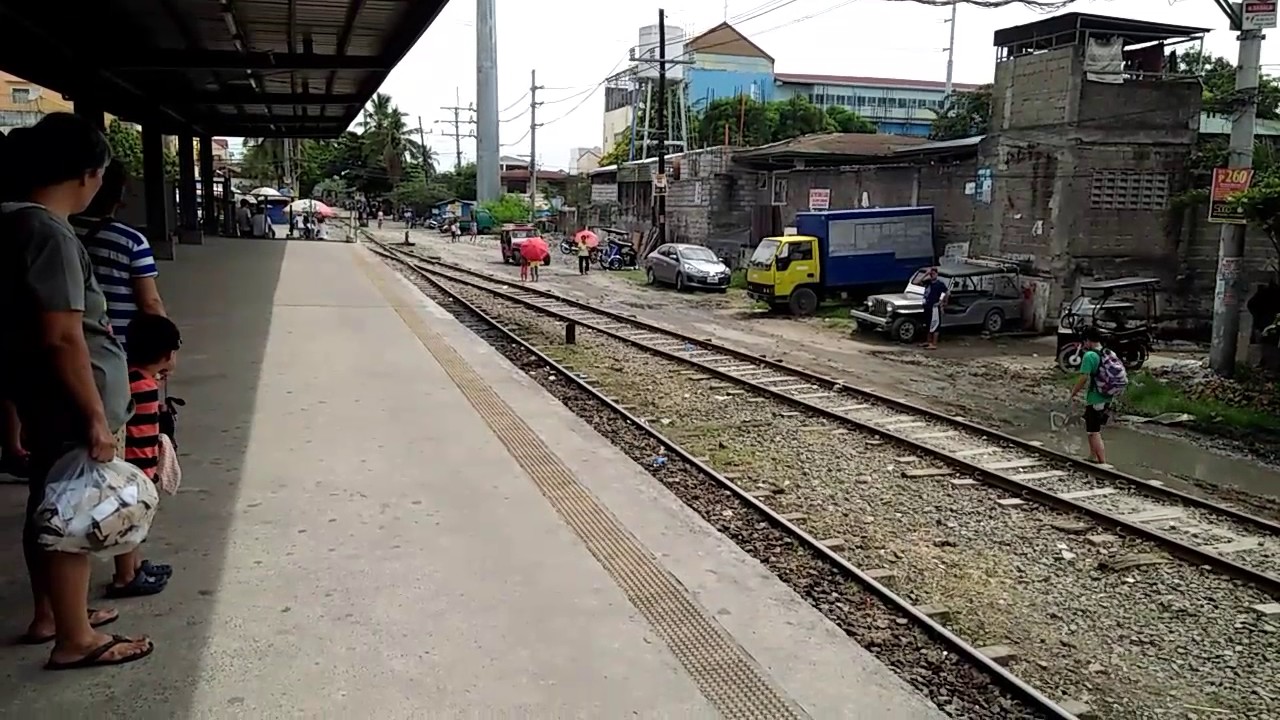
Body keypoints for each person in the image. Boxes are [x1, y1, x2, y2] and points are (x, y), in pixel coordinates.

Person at [0, 112, 153, 668]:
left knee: (50, 502)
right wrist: (93, 414)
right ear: (89, 174)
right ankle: (75, 639)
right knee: (76, 510)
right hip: (70, 400)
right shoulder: (48, 231)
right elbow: (64, 336)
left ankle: (55, 617)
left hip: (42, 395)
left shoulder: (14, 221)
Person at [107, 313, 181, 597]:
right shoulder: (146, 388)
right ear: (167, 355)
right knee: (131, 525)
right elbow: (145, 435)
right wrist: (151, 472)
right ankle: (126, 577)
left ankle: (135, 567)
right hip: (137, 470)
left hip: (128, 467)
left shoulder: (131, 377)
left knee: (134, 524)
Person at [71, 160, 167, 346]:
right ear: (120, 194)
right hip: (117, 344)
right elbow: (150, 303)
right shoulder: (131, 241)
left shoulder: (61, 230)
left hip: (72, 340)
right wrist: (167, 344)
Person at [1070, 327, 1123, 464]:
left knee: (1094, 431)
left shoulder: (1089, 356)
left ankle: (1102, 462)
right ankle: (1092, 456)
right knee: (1090, 427)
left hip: (1096, 397)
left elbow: (1083, 378)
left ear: (1088, 340)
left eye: (1084, 341)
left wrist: (1073, 392)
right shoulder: (1107, 352)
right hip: (1107, 396)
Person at [920, 267, 948, 350]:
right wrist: (926, 274)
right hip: (927, 306)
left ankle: (934, 343)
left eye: (934, 274)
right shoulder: (928, 282)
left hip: (935, 307)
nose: (932, 275)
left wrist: (942, 302)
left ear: (937, 274)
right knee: (928, 324)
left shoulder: (940, 284)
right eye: (931, 274)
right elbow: (918, 282)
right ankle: (928, 341)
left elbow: (946, 292)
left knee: (935, 325)